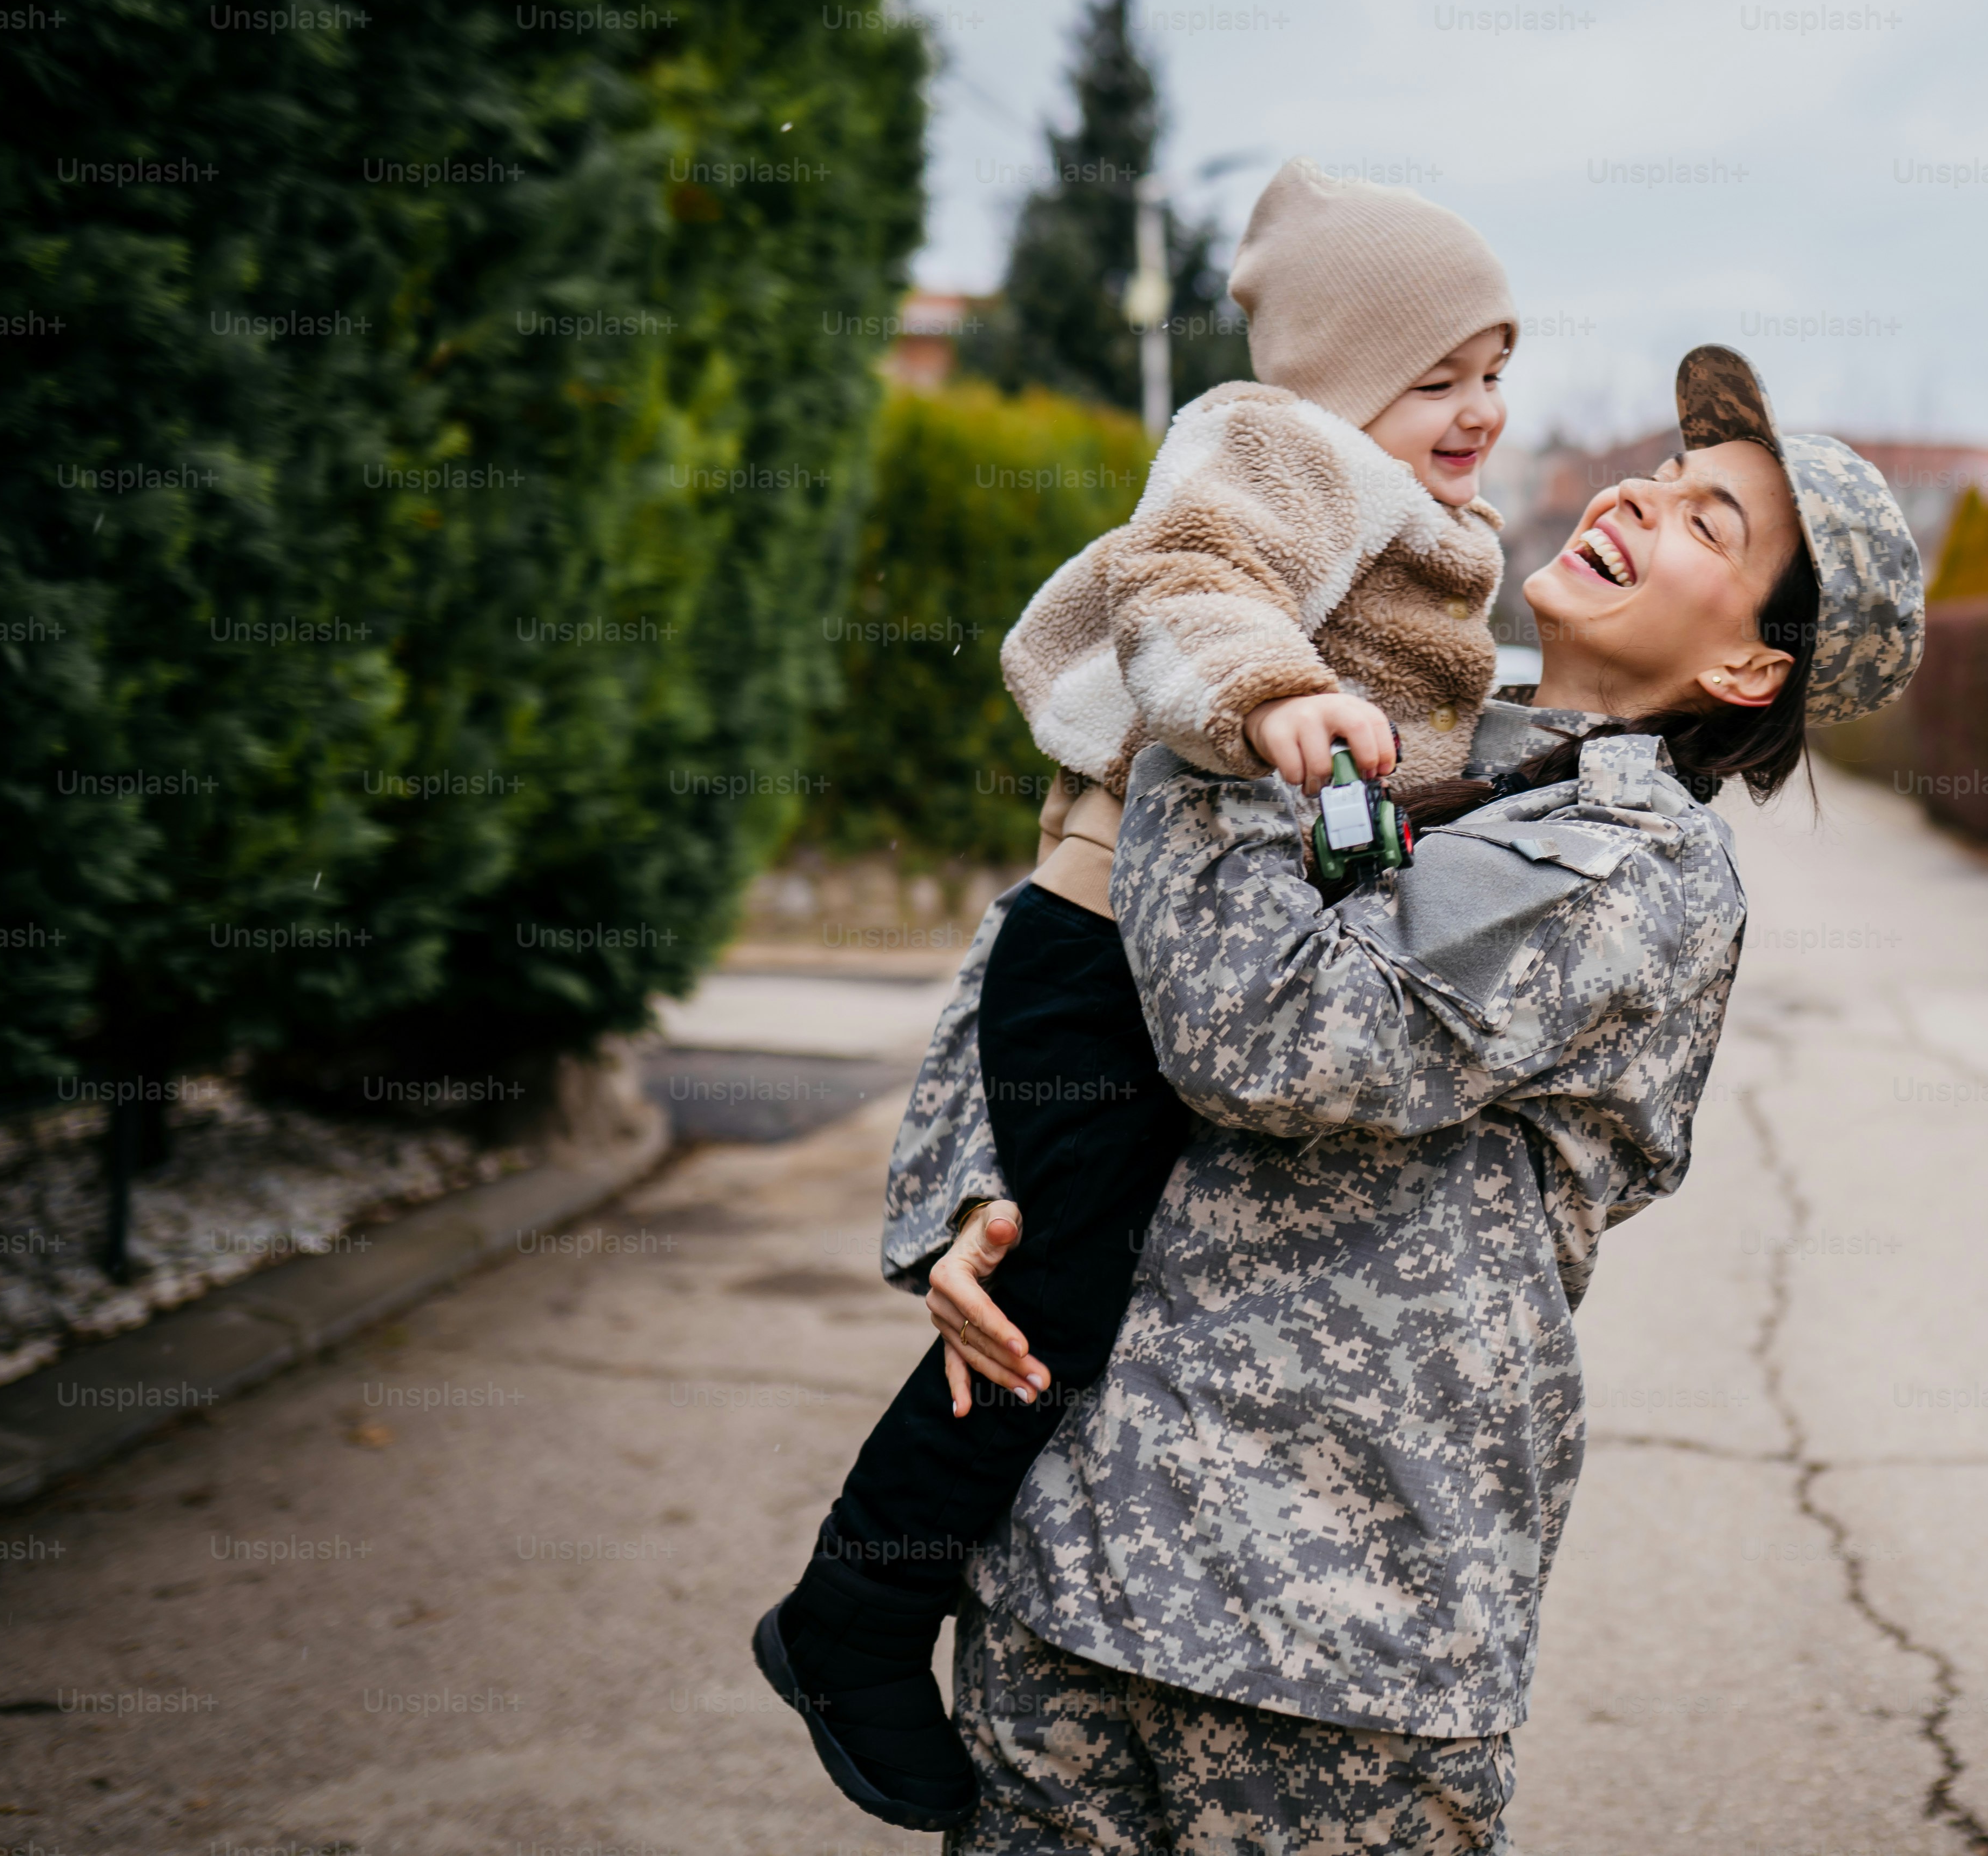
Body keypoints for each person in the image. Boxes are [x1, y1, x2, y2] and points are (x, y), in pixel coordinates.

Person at [900, 345, 1924, 1852]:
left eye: (1712, 524)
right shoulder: (1403, 713)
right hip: (1067, 1553)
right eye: (1663, 470)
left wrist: (1222, 676)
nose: (1645, 496)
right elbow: (1069, 927)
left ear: (1747, 671)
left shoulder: (1632, 871)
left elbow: (1273, 1040)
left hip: (1330, 1640)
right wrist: (958, 1193)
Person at [754, 157, 1523, 1832]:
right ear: (1334, 372)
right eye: (1436, 376)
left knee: (1086, 1265)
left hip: (1168, 949)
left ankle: (882, 1598)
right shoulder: (1275, 448)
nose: (1477, 410)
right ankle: (855, 1609)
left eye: (1494, 372)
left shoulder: (1416, 507)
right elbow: (1187, 580)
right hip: (1096, 950)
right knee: (1068, 1283)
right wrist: (1274, 696)